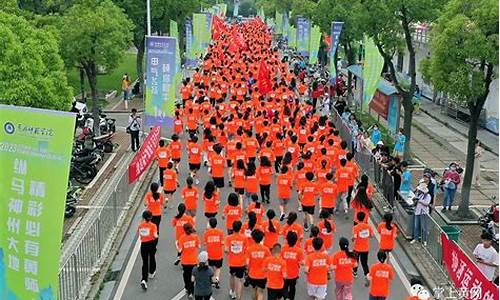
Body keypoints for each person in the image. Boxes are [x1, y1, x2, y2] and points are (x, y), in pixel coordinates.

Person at [246, 229, 271, 300]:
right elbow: (269, 261)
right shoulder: (266, 249)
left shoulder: (249, 249)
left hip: (252, 274)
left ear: (253, 238)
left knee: (254, 289)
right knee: (260, 292)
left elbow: (247, 263)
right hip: (263, 275)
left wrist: (247, 271)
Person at [225, 220, 247, 300]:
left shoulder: (228, 238)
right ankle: (239, 297)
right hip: (241, 262)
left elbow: (226, 250)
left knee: (232, 276)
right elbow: (246, 249)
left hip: (232, 262)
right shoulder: (244, 238)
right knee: (240, 280)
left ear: (233, 228)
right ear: (240, 228)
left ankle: (233, 292)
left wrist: (231, 251)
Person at [177, 223, 200, 298]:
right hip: (193, 260)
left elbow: (180, 250)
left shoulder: (182, 238)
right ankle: (191, 291)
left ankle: (187, 287)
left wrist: (176, 246)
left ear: (184, 229)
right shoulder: (195, 237)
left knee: (186, 275)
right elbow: (199, 246)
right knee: (192, 275)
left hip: (185, 261)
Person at [138, 210, 158, 290]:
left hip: (143, 245)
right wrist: (156, 236)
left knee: (145, 262)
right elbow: (155, 235)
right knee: (152, 257)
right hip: (151, 244)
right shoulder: (153, 225)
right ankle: (152, 272)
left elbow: (140, 234)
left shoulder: (140, 225)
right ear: (150, 217)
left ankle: (144, 279)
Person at [352, 211, 374, 285]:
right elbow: (371, 236)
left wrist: (353, 239)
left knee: (356, 261)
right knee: (364, 263)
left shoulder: (356, 227)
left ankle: (355, 273)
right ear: (364, 218)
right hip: (365, 248)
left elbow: (355, 237)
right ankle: (367, 275)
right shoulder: (368, 227)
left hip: (357, 248)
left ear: (357, 219)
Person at [203, 217, 224, 288]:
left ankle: (214, 280)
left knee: (211, 266)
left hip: (210, 254)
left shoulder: (206, 233)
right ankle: (217, 279)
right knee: (218, 268)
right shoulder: (220, 232)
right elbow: (222, 243)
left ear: (209, 224)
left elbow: (205, 243)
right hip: (218, 254)